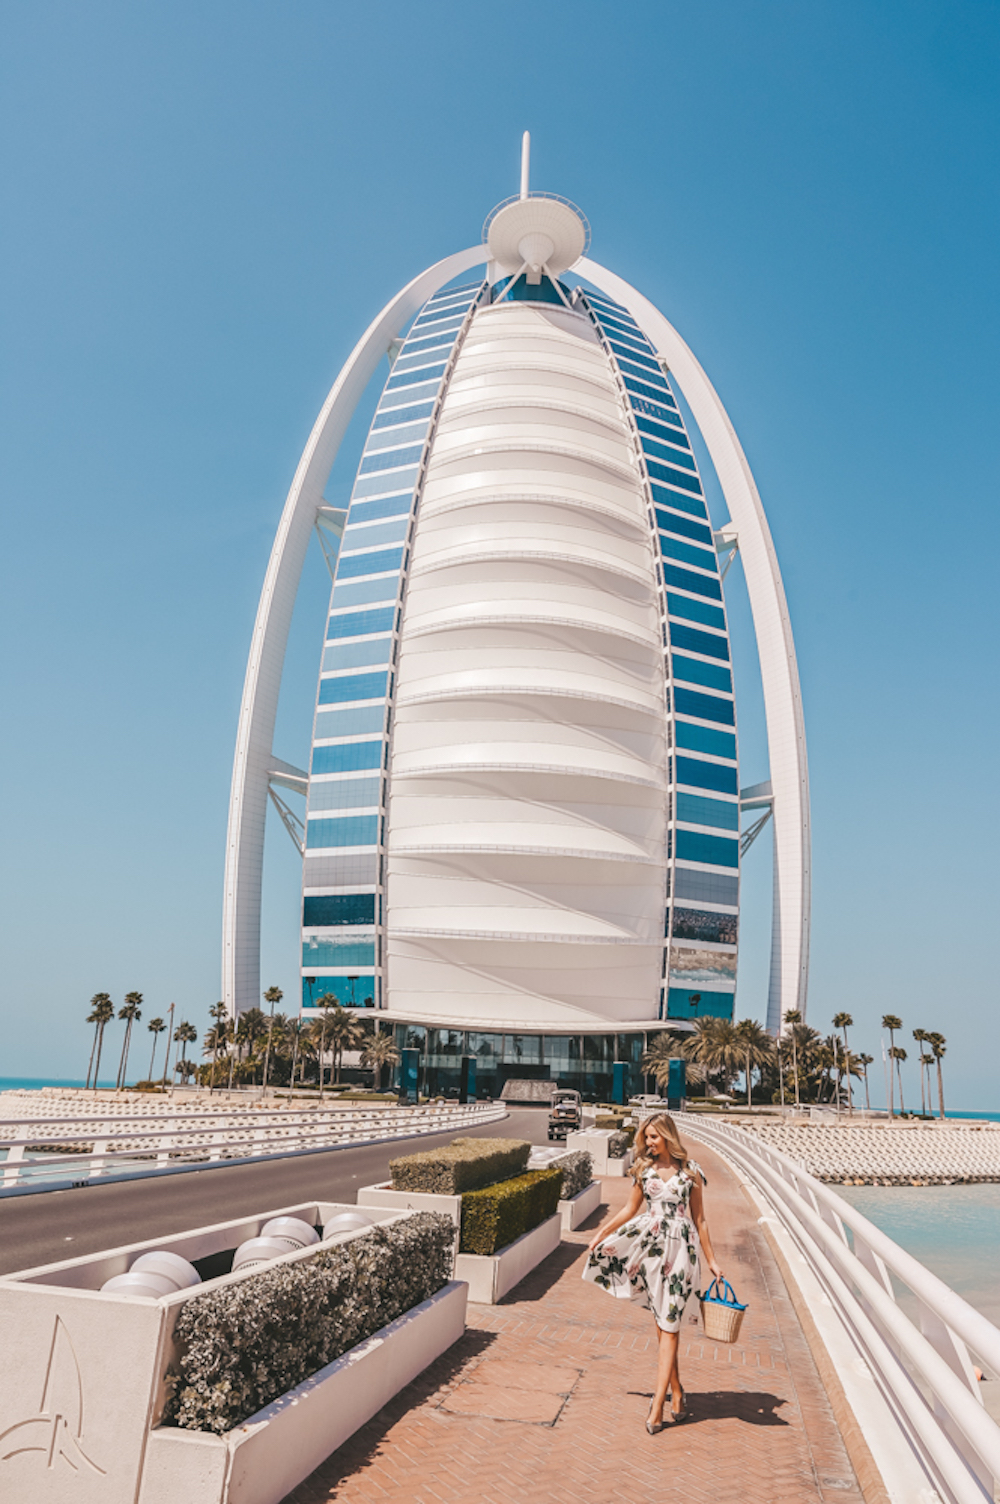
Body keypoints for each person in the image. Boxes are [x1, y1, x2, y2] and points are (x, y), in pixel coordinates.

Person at [582, 1111, 724, 1433]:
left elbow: (700, 1220)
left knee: (670, 1326)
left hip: (682, 1253)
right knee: (663, 1327)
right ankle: (678, 1393)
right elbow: (630, 1209)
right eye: (646, 1137)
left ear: (668, 1136)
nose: (649, 1142)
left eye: (654, 1136)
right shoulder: (644, 1172)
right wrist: (601, 1234)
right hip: (651, 1252)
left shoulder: (691, 1172)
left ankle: (657, 1406)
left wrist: (712, 1260)